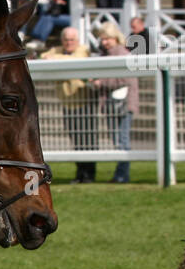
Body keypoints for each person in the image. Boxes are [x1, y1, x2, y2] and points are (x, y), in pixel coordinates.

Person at [44, 27, 97, 183]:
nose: (69, 43)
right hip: (67, 104)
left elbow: (76, 60)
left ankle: (88, 175)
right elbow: (44, 56)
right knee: (76, 140)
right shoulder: (59, 50)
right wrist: (54, 57)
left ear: (77, 41)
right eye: (66, 40)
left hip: (83, 103)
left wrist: (54, 58)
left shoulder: (83, 50)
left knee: (87, 140)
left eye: (72, 40)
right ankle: (80, 174)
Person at [90, 23, 136, 183]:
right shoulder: (106, 54)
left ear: (115, 38)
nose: (105, 42)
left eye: (108, 39)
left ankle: (122, 175)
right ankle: (120, 174)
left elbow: (125, 80)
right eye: (103, 39)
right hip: (112, 104)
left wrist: (100, 82)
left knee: (122, 140)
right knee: (117, 140)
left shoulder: (122, 54)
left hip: (123, 103)